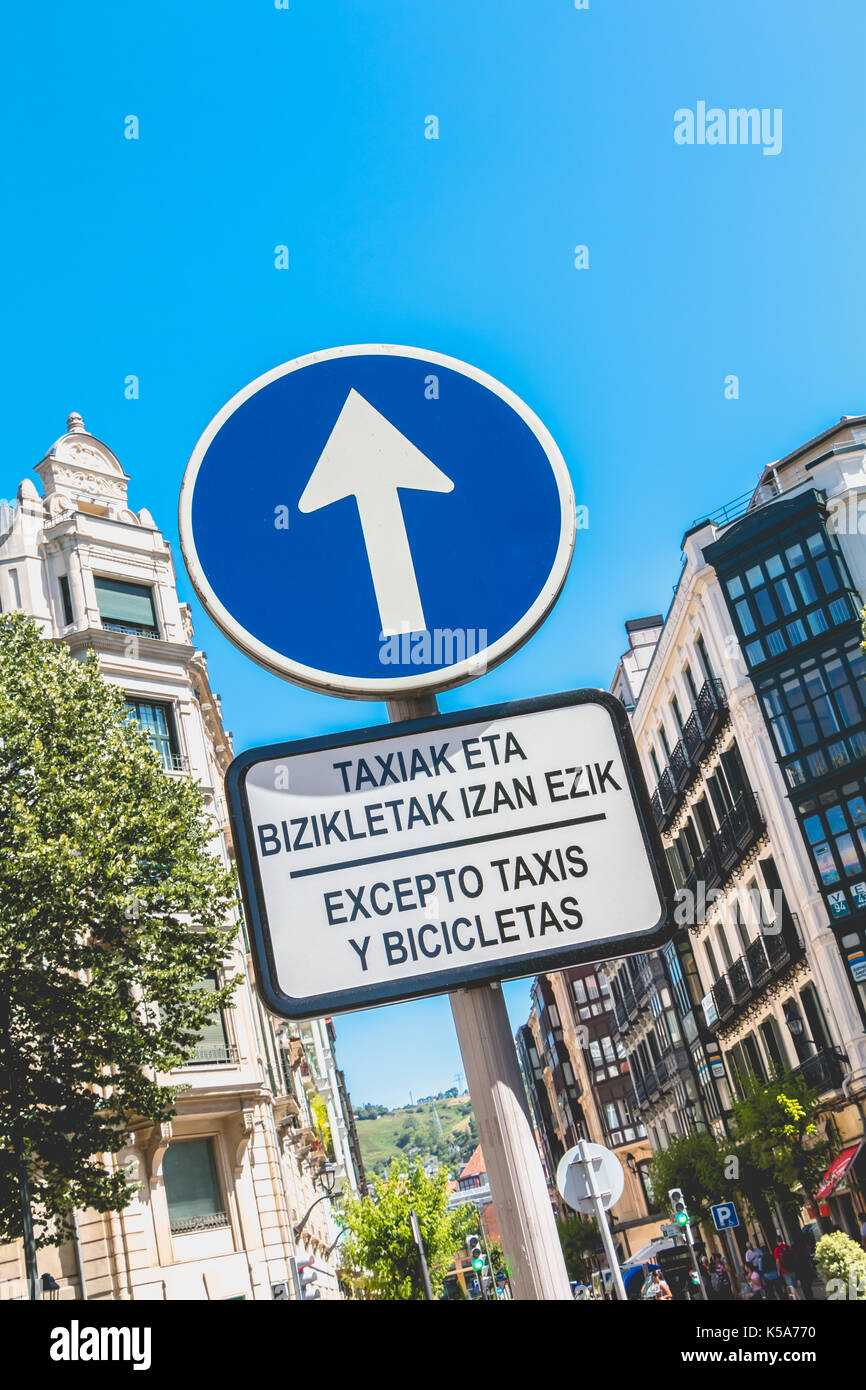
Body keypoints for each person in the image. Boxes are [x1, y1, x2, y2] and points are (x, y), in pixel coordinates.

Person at [773, 1234, 802, 1301]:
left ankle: (797, 1298)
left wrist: (778, 1270)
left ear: (777, 1242)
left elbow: (777, 1261)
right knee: (794, 1285)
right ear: (782, 1240)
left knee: (791, 1286)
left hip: (785, 1270)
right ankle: (797, 1297)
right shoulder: (788, 1247)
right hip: (792, 1268)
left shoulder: (777, 1250)